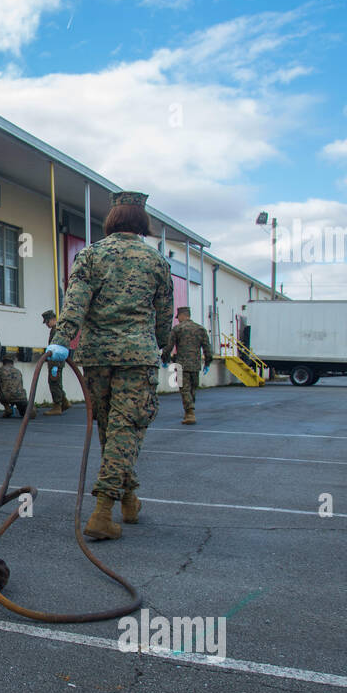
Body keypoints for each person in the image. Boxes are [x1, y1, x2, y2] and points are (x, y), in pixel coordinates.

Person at [44, 191, 172, 541]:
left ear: (112, 219)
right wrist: (162, 345)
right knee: (126, 430)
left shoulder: (90, 255)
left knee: (111, 430)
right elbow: (164, 315)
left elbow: (74, 305)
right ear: (142, 221)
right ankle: (102, 513)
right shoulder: (156, 261)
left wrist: (60, 340)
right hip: (138, 357)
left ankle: (129, 499)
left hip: (96, 357)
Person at [161, 305, 213, 424]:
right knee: (192, 389)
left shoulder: (177, 329)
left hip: (180, 364)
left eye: (178, 317)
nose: (178, 319)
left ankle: (190, 413)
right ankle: (189, 410)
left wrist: (165, 359)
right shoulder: (200, 329)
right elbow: (207, 347)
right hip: (195, 364)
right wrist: (208, 362)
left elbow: (169, 347)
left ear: (182, 315)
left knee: (184, 389)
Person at [41, 309, 71, 415]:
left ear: (52, 319)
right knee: (57, 382)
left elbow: (56, 348)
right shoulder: (58, 329)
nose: (46, 325)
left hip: (55, 361)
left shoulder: (56, 330)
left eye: (47, 322)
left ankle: (57, 406)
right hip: (56, 360)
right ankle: (64, 402)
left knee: (54, 382)